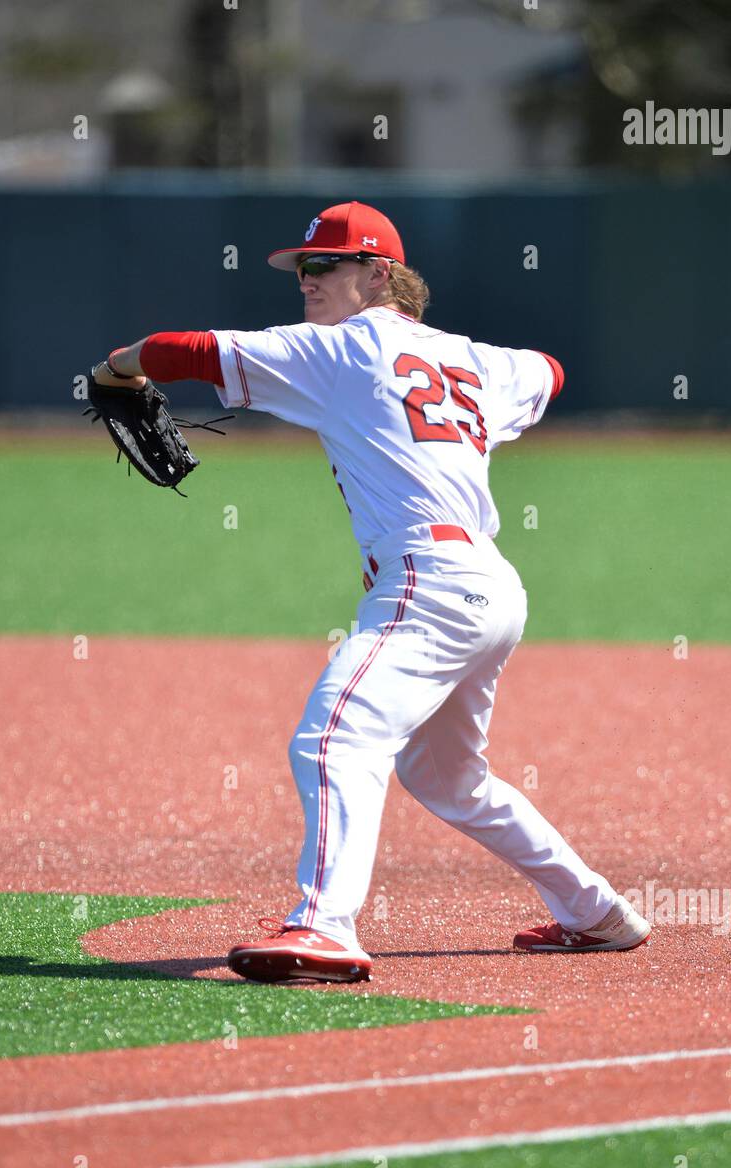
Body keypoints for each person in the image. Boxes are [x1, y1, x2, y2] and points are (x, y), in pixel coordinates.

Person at [92, 201, 651, 984]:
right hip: (489, 587)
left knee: (330, 740)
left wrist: (118, 367)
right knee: (447, 778)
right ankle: (594, 912)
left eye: (325, 266)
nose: (307, 282)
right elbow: (548, 371)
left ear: (378, 274)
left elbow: (183, 350)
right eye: (302, 270)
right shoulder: (477, 360)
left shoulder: (341, 349)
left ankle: (326, 926)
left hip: (429, 581)